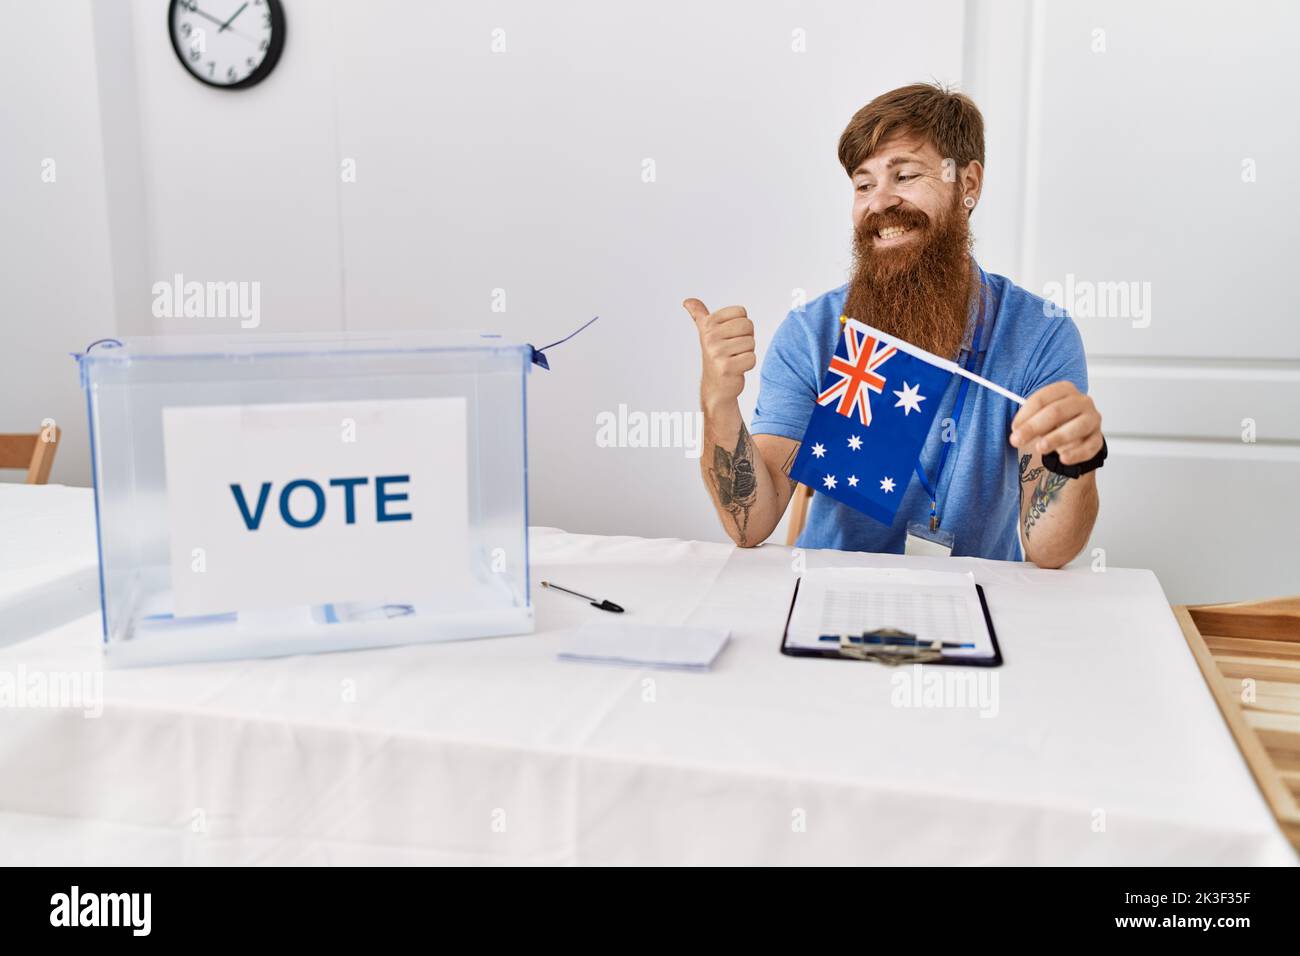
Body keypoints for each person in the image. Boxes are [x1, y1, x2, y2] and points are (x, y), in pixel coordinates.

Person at [684, 82, 1105, 568]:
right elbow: (750, 524)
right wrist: (717, 401)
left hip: (979, 597)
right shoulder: (813, 330)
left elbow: (1050, 551)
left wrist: (1076, 460)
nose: (879, 202)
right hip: (828, 588)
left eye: (904, 175)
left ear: (968, 185)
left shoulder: (1040, 333)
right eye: (863, 185)